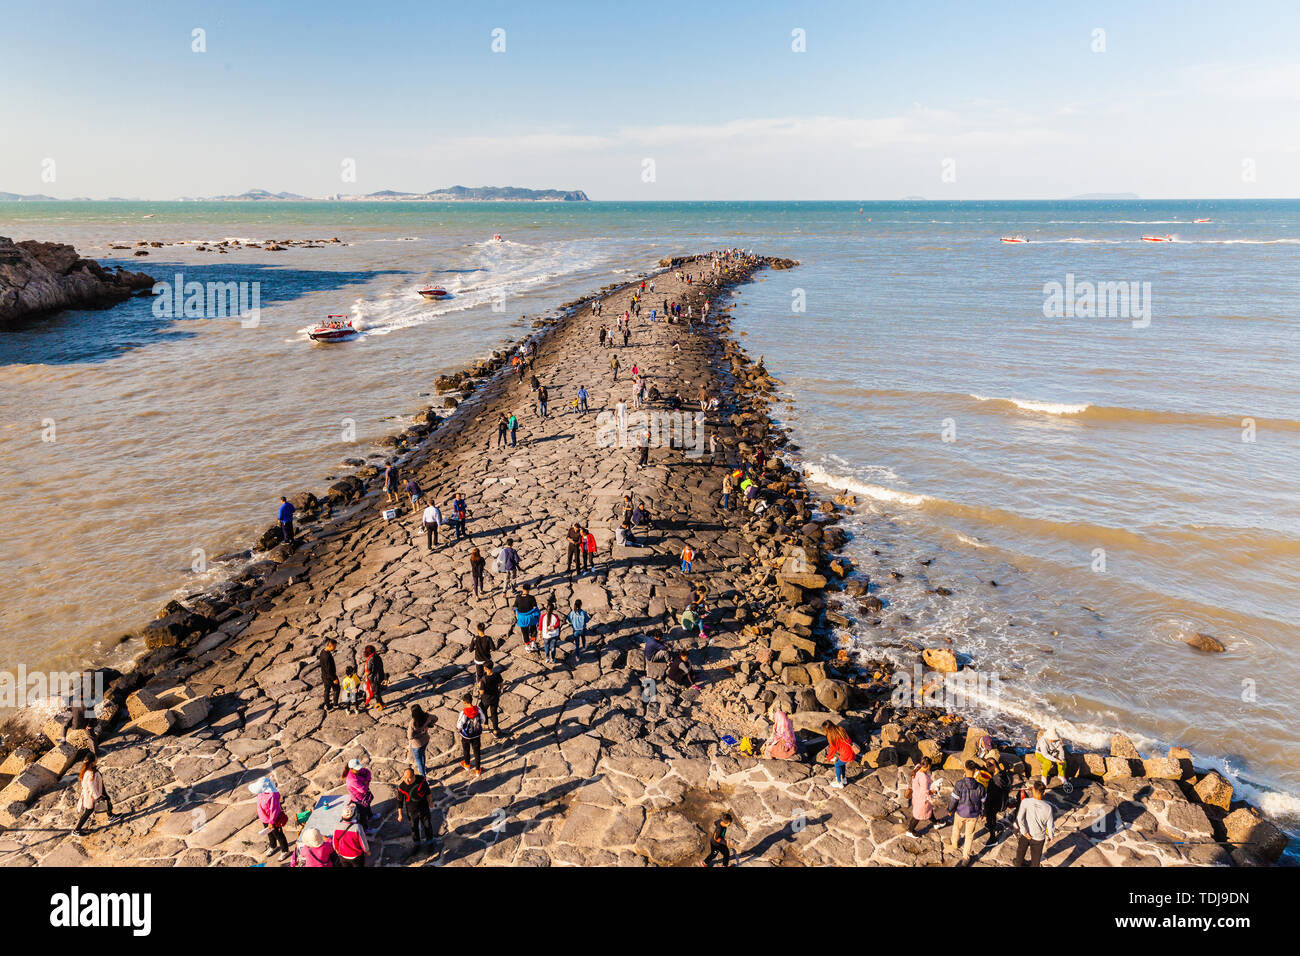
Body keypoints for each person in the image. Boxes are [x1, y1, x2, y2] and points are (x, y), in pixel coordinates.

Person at [948, 760, 987, 865]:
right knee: (969, 836)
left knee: (956, 828)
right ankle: (966, 857)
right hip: (973, 815)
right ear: (975, 771)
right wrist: (983, 814)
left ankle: (954, 844)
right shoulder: (981, 787)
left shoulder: (959, 784)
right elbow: (984, 802)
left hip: (960, 812)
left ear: (964, 769)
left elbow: (953, 800)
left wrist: (950, 810)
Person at [976, 736, 1010, 842]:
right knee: (991, 817)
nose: (987, 770)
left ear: (993, 766)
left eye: (988, 767)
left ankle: (992, 837)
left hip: (994, 803)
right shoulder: (1002, 774)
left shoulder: (996, 780)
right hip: (1000, 801)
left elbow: (993, 795)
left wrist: (985, 808)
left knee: (991, 819)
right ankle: (991, 827)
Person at [1014, 780, 1055, 867]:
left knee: (1020, 852)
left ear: (1032, 789)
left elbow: (1019, 818)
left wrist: (1024, 832)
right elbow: (1050, 825)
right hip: (1038, 838)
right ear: (1043, 793)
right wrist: (1050, 836)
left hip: (1026, 834)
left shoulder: (1025, 801)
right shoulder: (1048, 808)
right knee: (1036, 860)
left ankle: (1018, 864)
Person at [249, 776, 290, 861]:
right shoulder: (261, 792)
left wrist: (271, 822)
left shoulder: (273, 795)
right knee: (270, 834)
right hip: (264, 818)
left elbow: (274, 810)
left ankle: (285, 850)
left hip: (273, 820)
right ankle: (273, 846)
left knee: (278, 835)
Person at [396, 766, 436, 853]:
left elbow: (428, 791)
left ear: (414, 776)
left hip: (424, 808)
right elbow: (399, 801)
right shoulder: (402, 787)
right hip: (411, 812)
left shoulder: (421, 780)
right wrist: (400, 814)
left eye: (409, 778)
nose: (407, 780)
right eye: (405, 778)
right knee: (414, 828)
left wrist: (430, 802)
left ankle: (430, 843)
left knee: (427, 826)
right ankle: (417, 844)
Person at [73, 756, 113, 835]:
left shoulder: (89, 770)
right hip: (91, 796)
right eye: (95, 759)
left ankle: (111, 815)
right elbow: (92, 787)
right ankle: (76, 830)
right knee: (88, 812)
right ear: (92, 762)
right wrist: (98, 796)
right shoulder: (90, 773)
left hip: (97, 791)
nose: (97, 759)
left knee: (107, 799)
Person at [821, 721, 857, 789]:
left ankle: (839, 782)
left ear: (827, 729)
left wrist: (829, 757)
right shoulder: (840, 729)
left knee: (837, 765)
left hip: (846, 753)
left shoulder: (832, 736)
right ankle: (844, 779)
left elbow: (833, 749)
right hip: (850, 750)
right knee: (841, 764)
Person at [477, 662, 507, 739]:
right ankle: (495, 731)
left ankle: (486, 726)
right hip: (495, 697)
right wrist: (500, 690)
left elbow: (482, 692)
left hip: (486, 699)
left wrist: (479, 686)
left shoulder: (484, 679)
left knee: (483, 710)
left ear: (486, 668)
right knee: (494, 713)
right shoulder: (497, 675)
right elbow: (501, 684)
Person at [343, 758, 374, 830]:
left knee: (367, 806)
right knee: (363, 815)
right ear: (351, 769)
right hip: (358, 799)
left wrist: (367, 780)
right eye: (357, 769)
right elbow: (363, 790)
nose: (359, 770)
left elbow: (367, 772)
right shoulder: (352, 780)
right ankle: (366, 829)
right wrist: (367, 782)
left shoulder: (357, 771)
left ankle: (370, 816)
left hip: (364, 796)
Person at [906, 756, 934, 836]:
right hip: (921, 800)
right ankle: (910, 831)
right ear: (928, 766)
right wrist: (933, 791)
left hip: (916, 796)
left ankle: (936, 822)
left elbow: (917, 765)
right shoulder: (923, 778)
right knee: (917, 816)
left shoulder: (918, 768)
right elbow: (925, 792)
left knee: (928, 811)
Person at [457, 693, 483, 776]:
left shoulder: (463, 713)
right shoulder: (478, 709)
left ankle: (467, 765)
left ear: (465, 702)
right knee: (477, 751)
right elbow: (483, 719)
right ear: (471, 700)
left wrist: (460, 729)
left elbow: (459, 725)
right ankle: (478, 770)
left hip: (466, 735)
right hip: (476, 734)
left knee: (466, 750)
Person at [408, 704, 433, 777]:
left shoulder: (412, 723)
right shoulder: (427, 716)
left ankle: (423, 776)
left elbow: (410, 736)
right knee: (422, 754)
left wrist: (418, 734)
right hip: (425, 740)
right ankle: (423, 768)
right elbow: (435, 718)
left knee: (418, 760)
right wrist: (429, 725)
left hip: (417, 744)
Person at [514, 584, 540, 650]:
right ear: (529, 590)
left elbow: (515, 607)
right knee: (533, 630)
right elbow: (535, 607)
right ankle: (533, 643)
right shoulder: (531, 598)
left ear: (523, 589)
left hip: (522, 618)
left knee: (524, 632)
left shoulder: (518, 597)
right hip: (531, 618)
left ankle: (527, 645)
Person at [362, 644, 385, 712]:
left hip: (374, 678)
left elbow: (369, 671)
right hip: (380, 676)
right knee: (376, 691)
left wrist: (364, 676)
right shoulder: (377, 656)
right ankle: (378, 702)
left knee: (376, 692)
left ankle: (382, 704)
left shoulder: (370, 659)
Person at [539, 600, 563, 664]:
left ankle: (547, 658)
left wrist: (540, 634)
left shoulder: (542, 616)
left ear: (546, 609)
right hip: (554, 635)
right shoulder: (555, 616)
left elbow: (540, 626)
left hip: (546, 635)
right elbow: (558, 625)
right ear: (553, 609)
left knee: (546, 647)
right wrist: (553, 627)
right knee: (553, 647)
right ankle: (553, 658)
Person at [319, 639, 339, 711]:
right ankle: (335, 705)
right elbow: (329, 670)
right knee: (336, 689)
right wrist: (334, 679)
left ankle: (328, 706)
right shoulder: (326, 656)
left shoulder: (323, 651)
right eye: (334, 646)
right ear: (330, 645)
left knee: (327, 690)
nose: (335, 648)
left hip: (324, 675)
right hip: (330, 676)